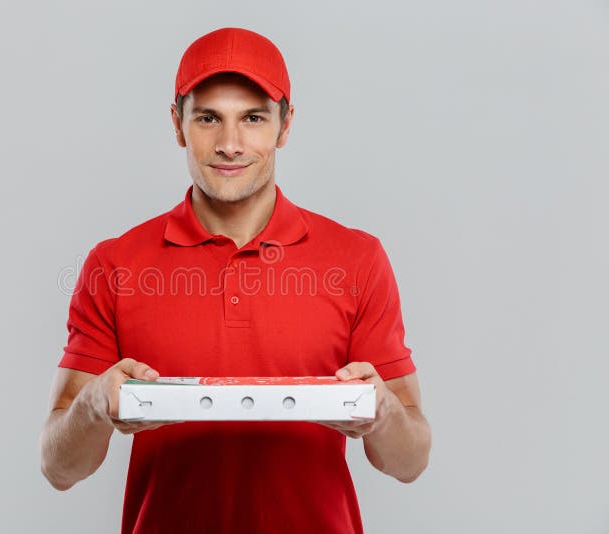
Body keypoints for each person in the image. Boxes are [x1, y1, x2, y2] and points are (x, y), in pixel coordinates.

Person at [39, 27, 431, 534]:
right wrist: (93, 405)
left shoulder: (357, 259)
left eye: (252, 118)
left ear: (285, 126)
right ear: (178, 125)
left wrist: (381, 413)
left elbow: (409, 461)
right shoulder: (114, 264)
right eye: (207, 118)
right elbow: (58, 467)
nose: (229, 144)